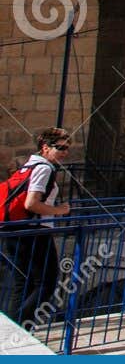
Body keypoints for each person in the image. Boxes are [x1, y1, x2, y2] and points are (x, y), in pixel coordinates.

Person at [0, 129, 73, 327]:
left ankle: (9, 330)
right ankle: (17, 328)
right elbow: (31, 204)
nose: (65, 152)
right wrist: (60, 210)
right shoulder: (44, 168)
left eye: (67, 148)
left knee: (22, 284)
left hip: (14, 229)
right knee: (46, 283)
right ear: (45, 147)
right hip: (35, 231)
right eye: (61, 148)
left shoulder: (29, 165)